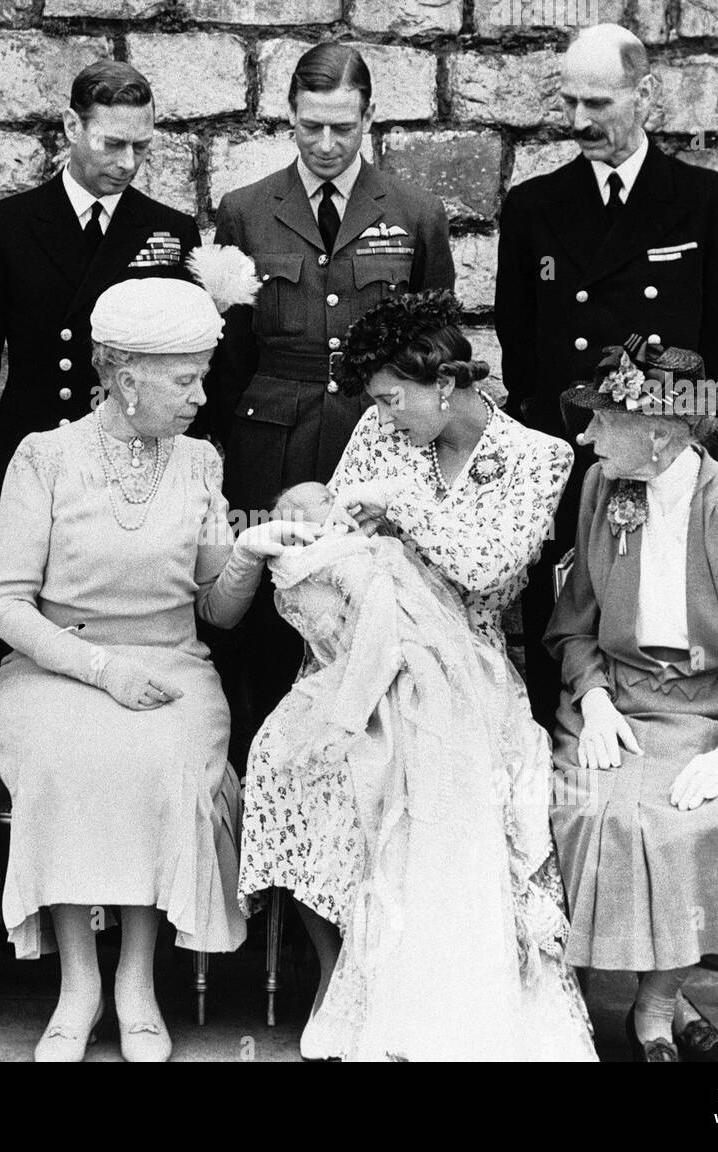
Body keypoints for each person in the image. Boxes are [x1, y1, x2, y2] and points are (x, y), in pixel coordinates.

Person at [0, 273, 317, 1063]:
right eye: (186, 378)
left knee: (163, 762)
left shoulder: (201, 460)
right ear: (127, 380)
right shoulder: (46, 457)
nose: (202, 394)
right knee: (68, 759)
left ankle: (136, 981)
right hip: (57, 666)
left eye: (203, 373)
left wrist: (248, 554)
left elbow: (216, 610)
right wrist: (101, 671)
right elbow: (6, 606)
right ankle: (78, 985)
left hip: (172, 663)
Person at [239, 290, 577, 1058]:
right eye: (378, 402)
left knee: (431, 774)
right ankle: (346, 973)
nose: (384, 416)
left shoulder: (537, 456)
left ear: (447, 385)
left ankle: (429, 996)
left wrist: (401, 507)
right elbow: (340, 537)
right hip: (363, 651)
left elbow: (488, 569)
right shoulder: (379, 430)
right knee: (290, 761)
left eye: (395, 399)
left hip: (472, 663)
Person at [546, 337, 718, 1061]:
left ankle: (658, 1005)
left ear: (660, 435)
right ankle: (573, 1006)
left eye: (603, 422)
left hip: (708, 718)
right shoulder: (603, 489)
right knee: (583, 814)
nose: (585, 436)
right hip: (618, 711)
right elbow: (572, 625)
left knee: (700, 823)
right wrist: (596, 700)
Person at [494, 22, 718, 728]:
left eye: (600, 104)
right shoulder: (533, 209)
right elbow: (519, 350)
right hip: (573, 456)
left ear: (647, 96)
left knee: (674, 623)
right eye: (571, 102)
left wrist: (683, 443)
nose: (581, 122)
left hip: (669, 461)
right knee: (567, 629)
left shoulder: (706, 202)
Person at [208, 40, 455, 766]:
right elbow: (230, 356)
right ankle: (261, 799)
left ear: (369, 119)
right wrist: (231, 453)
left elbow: (439, 346)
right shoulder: (246, 212)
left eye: (342, 128)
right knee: (263, 620)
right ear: (288, 115)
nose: (324, 143)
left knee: (367, 615)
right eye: (309, 125)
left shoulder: (415, 213)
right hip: (270, 447)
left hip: (375, 444)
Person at [0, 60, 200, 500]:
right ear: (71, 126)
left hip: (136, 459)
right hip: (36, 454)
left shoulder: (171, 230)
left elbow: (191, 366)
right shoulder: (4, 226)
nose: (127, 163)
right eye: (112, 143)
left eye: (141, 147)